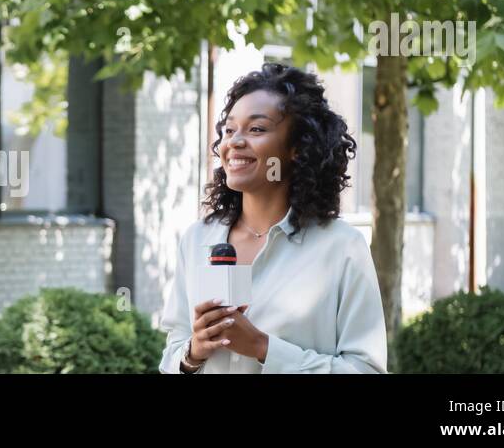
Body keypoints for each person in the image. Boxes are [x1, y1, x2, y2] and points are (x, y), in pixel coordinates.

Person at [158, 63, 388, 374]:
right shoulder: (197, 239)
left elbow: (365, 370)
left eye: (256, 129)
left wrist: (262, 348)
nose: (234, 142)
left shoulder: (342, 248)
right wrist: (193, 353)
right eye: (229, 129)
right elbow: (173, 355)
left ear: (296, 148)